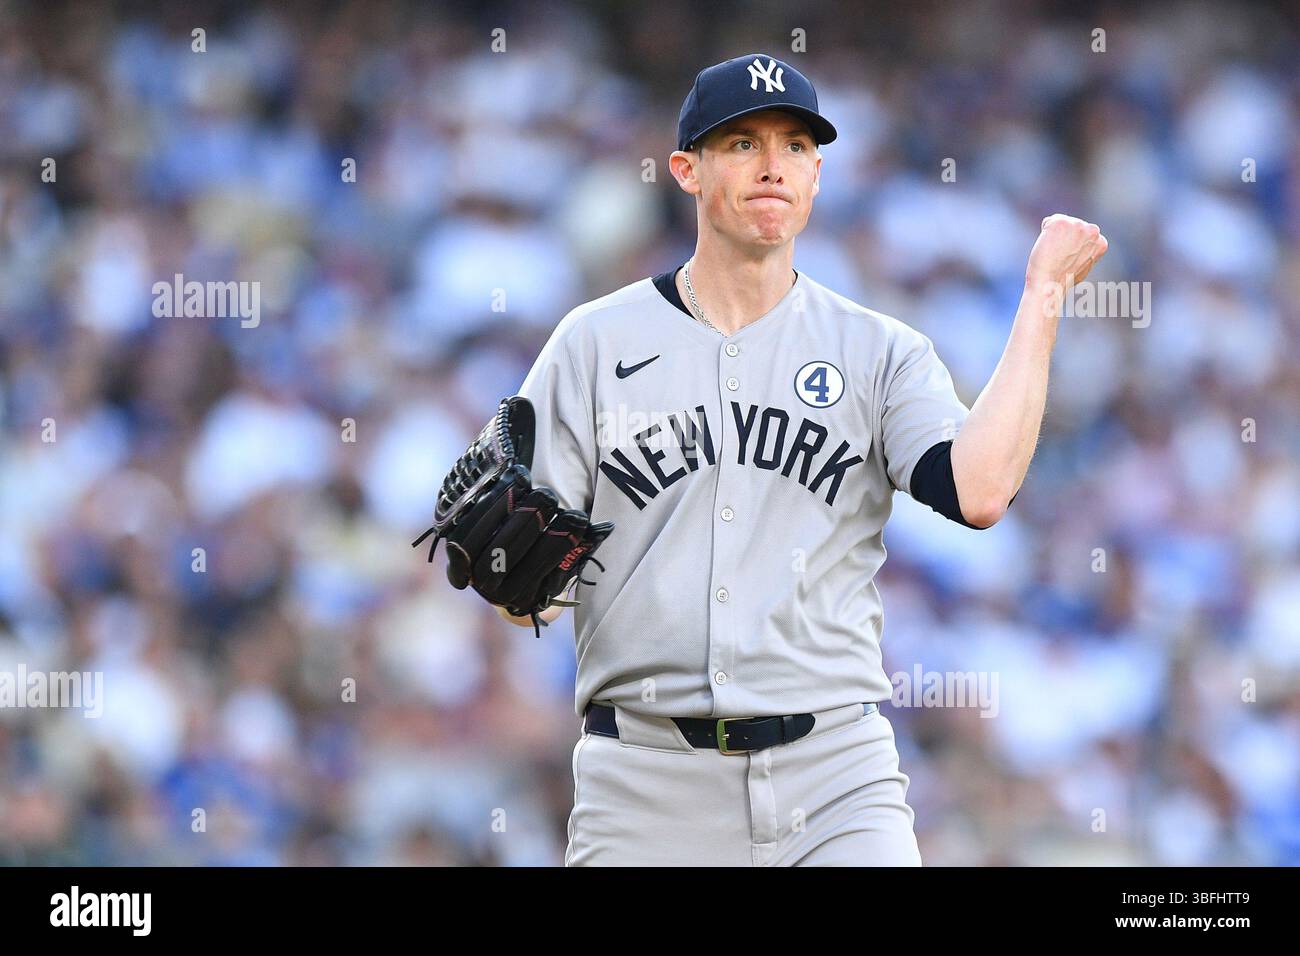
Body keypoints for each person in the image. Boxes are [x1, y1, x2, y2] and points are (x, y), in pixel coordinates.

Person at [499, 52, 1108, 866]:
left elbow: (981, 488)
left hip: (837, 777)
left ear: (817, 174)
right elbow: (520, 587)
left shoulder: (878, 349)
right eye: (742, 144)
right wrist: (517, 582)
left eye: (794, 146)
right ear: (687, 169)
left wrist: (1042, 299)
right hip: (644, 782)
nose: (772, 166)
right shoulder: (594, 342)